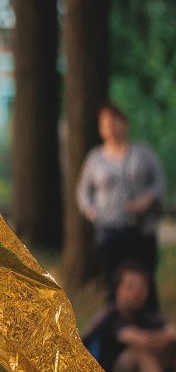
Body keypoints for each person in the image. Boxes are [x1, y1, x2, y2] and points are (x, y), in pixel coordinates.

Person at [76, 102, 166, 302]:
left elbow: (159, 182)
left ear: (124, 124)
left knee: (145, 276)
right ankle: (116, 325)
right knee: (113, 279)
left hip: (141, 228)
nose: (111, 127)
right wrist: (91, 211)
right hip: (109, 229)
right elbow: (83, 192)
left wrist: (146, 200)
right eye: (105, 123)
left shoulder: (143, 153)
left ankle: (149, 322)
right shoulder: (95, 159)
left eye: (114, 122)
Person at [81, 262, 176, 372]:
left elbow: (171, 332)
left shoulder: (146, 315)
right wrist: (164, 336)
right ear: (118, 289)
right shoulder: (108, 316)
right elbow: (138, 339)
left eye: (142, 288)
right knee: (139, 353)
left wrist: (167, 337)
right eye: (131, 287)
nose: (136, 293)